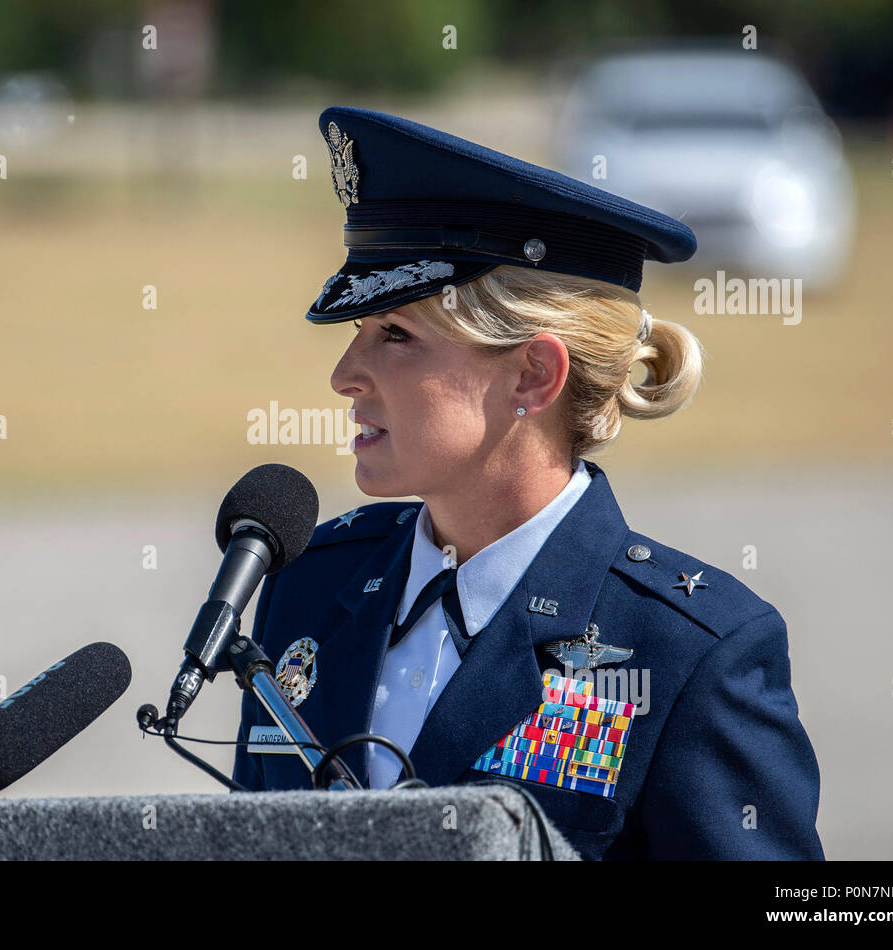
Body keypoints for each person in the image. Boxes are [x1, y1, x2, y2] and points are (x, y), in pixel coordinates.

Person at [231, 106, 825, 861]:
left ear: (534, 374)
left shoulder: (685, 651)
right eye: (357, 336)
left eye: (397, 336)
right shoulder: (311, 582)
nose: (345, 378)